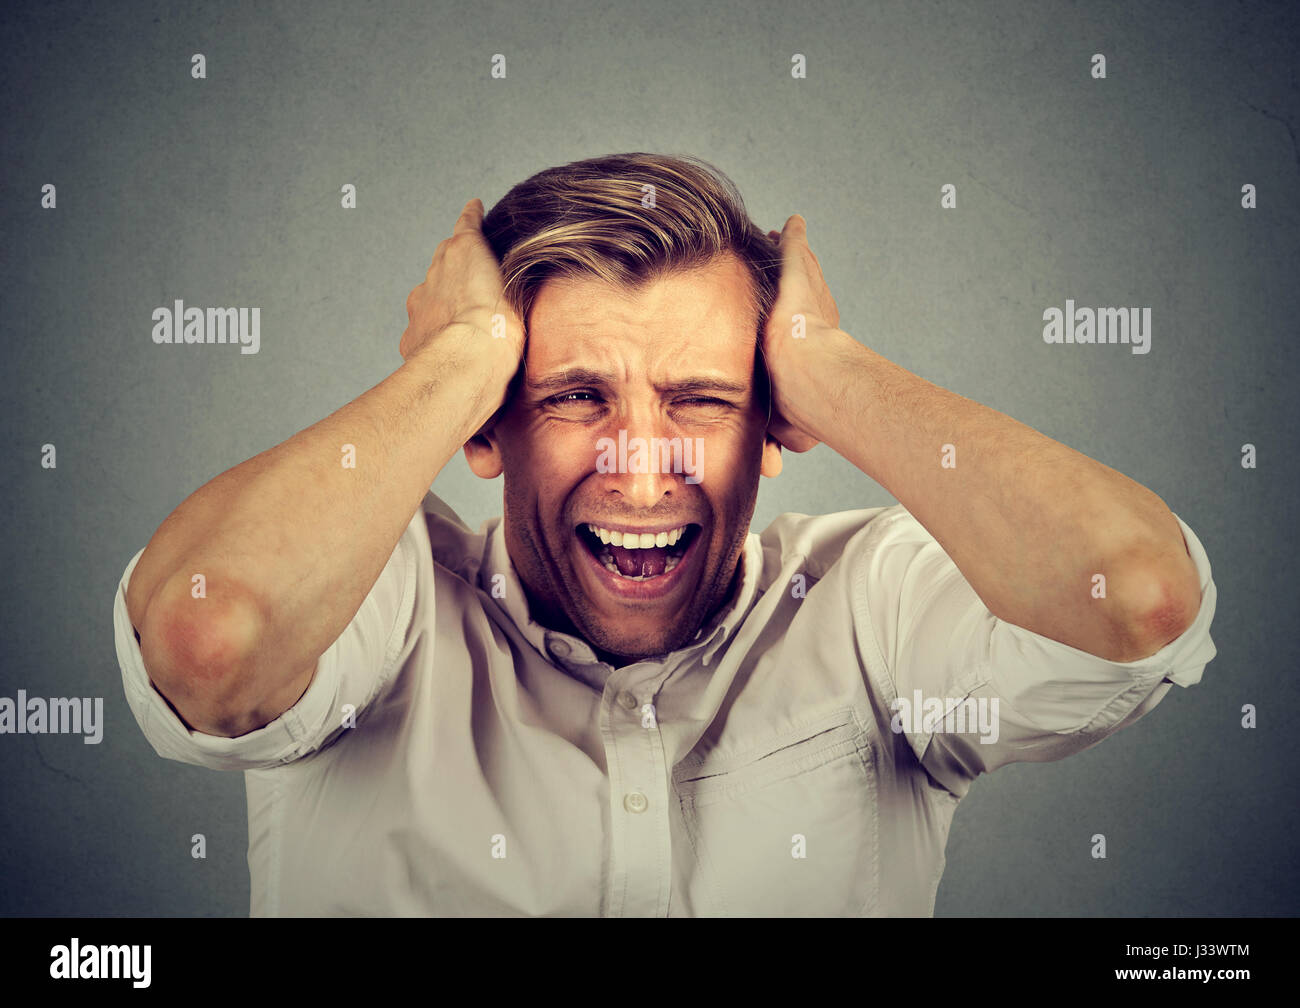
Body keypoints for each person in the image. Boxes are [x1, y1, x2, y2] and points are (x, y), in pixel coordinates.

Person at [112, 152, 1217, 916]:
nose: (643, 469)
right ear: (487, 424)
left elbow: (1129, 597)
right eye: (573, 397)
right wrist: (456, 359)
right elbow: (213, 643)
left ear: (776, 423)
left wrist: (829, 366)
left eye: (701, 398)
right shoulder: (380, 603)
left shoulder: (868, 607)